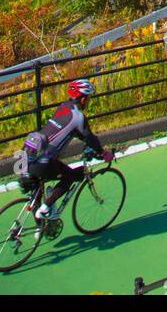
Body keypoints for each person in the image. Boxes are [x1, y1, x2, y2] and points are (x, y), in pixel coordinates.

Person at [22, 78, 113, 222]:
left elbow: (67, 131)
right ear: (83, 98)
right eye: (88, 98)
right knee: (69, 177)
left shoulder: (63, 107)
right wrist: (103, 153)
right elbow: (89, 138)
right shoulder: (79, 117)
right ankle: (46, 208)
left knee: (38, 187)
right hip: (45, 160)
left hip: (29, 153)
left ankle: (40, 227)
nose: (89, 101)